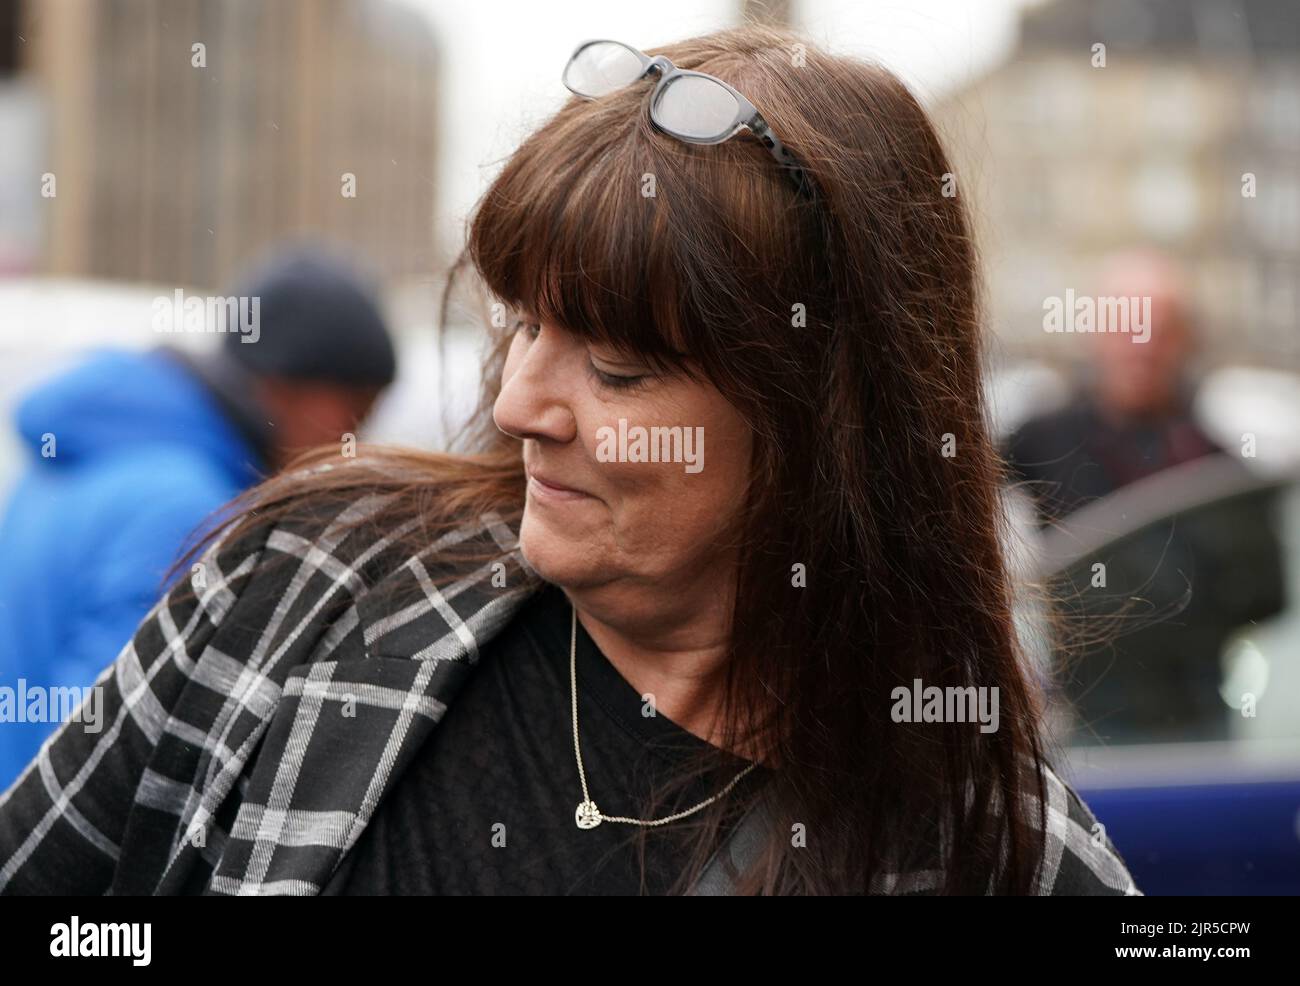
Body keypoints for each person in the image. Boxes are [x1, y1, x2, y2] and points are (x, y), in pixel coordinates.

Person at [0, 26, 1138, 895]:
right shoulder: (301, 584)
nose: (517, 401)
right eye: (527, 325)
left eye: (619, 368)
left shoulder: (1001, 857)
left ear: (821, 423)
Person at [0, 246, 395, 789]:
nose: (356, 441)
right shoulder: (185, 509)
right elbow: (101, 758)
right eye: (359, 408)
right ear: (289, 385)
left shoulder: (80, 457)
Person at [1003, 249, 1229, 528]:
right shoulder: (1039, 442)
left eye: (1160, 332)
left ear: (1185, 340)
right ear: (1095, 333)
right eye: (1126, 329)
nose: (1143, 348)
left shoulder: (1215, 466)